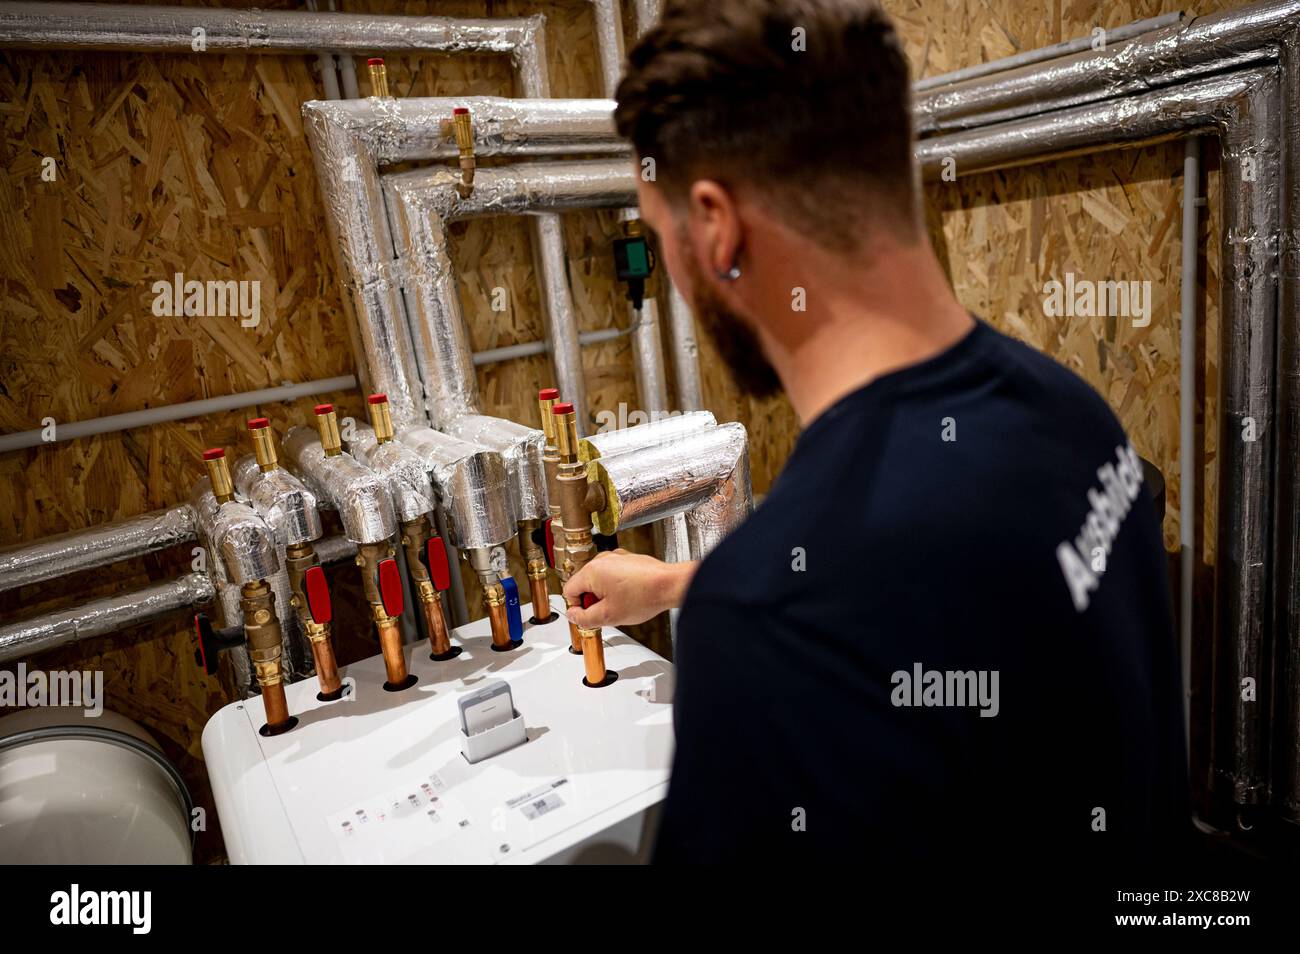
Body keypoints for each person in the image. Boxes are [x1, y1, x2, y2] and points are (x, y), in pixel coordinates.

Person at [563, 0, 1188, 864]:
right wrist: (683, 584)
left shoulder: (763, 632)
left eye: (663, 234)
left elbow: (867, 599)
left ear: (717, 226)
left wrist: (726, 603)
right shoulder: (1073, 415)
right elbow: (943, 588)